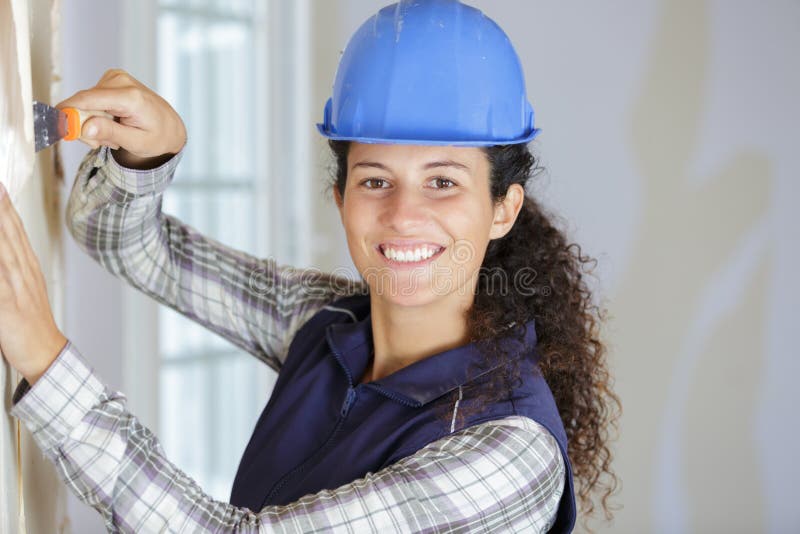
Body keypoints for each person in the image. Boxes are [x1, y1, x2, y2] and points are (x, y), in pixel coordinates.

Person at [0, 1, 619, 532]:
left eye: (442, 182)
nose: (403, 215)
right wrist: (149, 157)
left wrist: (46, 365)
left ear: (503, 209)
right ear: (341, 199)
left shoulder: (506, 453)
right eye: (376, 180)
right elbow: (136, 250)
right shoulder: (330, 323)